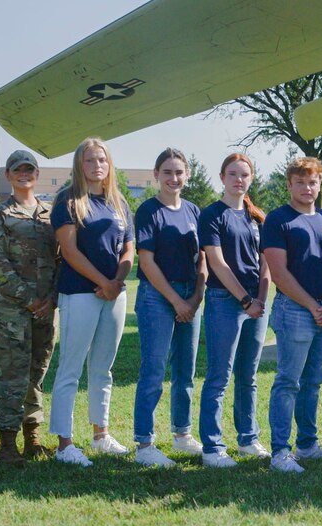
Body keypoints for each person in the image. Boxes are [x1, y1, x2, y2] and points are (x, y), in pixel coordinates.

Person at [48, 137, 133, 467]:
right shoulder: (67, 200)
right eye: (90, 160)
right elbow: (69, 251)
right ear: (79, 165)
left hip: (115, 294)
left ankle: (101, 436)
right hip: (81, 293)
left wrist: (117, 282)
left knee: (103, 369)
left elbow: (129, 248)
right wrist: (104, 283)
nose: (97, 166)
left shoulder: (118, 201)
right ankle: (65, 444)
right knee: (70, 368)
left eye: (102, 160)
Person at [263, 156, 322, 473]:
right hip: (295, 310)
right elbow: (279, 274)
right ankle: (280, 452)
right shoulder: (278, 220)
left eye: (312, 182)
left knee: (313, 382)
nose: (307, 187)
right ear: (289, 184)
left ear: (319, 184)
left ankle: (308, 445)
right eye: (300, 181)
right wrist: (312, 305)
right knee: (289, 381)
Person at [0, 149, 59, 465]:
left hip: (45, 310)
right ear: (9, 176)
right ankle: (9, 442)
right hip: (12, 312)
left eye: (29, 169)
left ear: (36, 175)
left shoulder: (51, 214)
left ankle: (33, 437)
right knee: (13, 374)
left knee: (37, 372)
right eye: (17, 170)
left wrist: (51, 298)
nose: (24, 174)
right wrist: (29, 300)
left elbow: (61, 259)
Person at [197, 153, 273, 469]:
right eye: (232, 174)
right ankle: (212, 447)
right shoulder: (212, 215)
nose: (238, 180)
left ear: (251, 178)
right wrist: (245, 300)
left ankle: (248, 439)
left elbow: (266, 265)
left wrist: (261, 301)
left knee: (248, 375)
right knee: (219, 375)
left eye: (244, 174)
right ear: (222, 177)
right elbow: (217, 263)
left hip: (257, 305)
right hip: (225, 302)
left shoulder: (258, 218)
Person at [132, 149, 206, 467]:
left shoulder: (194, 211)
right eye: (167, 172)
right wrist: (176, 301)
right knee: (154, 370)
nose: (173, 178)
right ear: (156, 175)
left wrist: (196, 296)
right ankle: (145, 445)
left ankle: (182, 433)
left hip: (190, 296)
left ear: (187, 175)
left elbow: (203, 257)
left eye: (179, 172)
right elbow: (146, 261)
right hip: (157, 296)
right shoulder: (149, 210)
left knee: (185, 371)